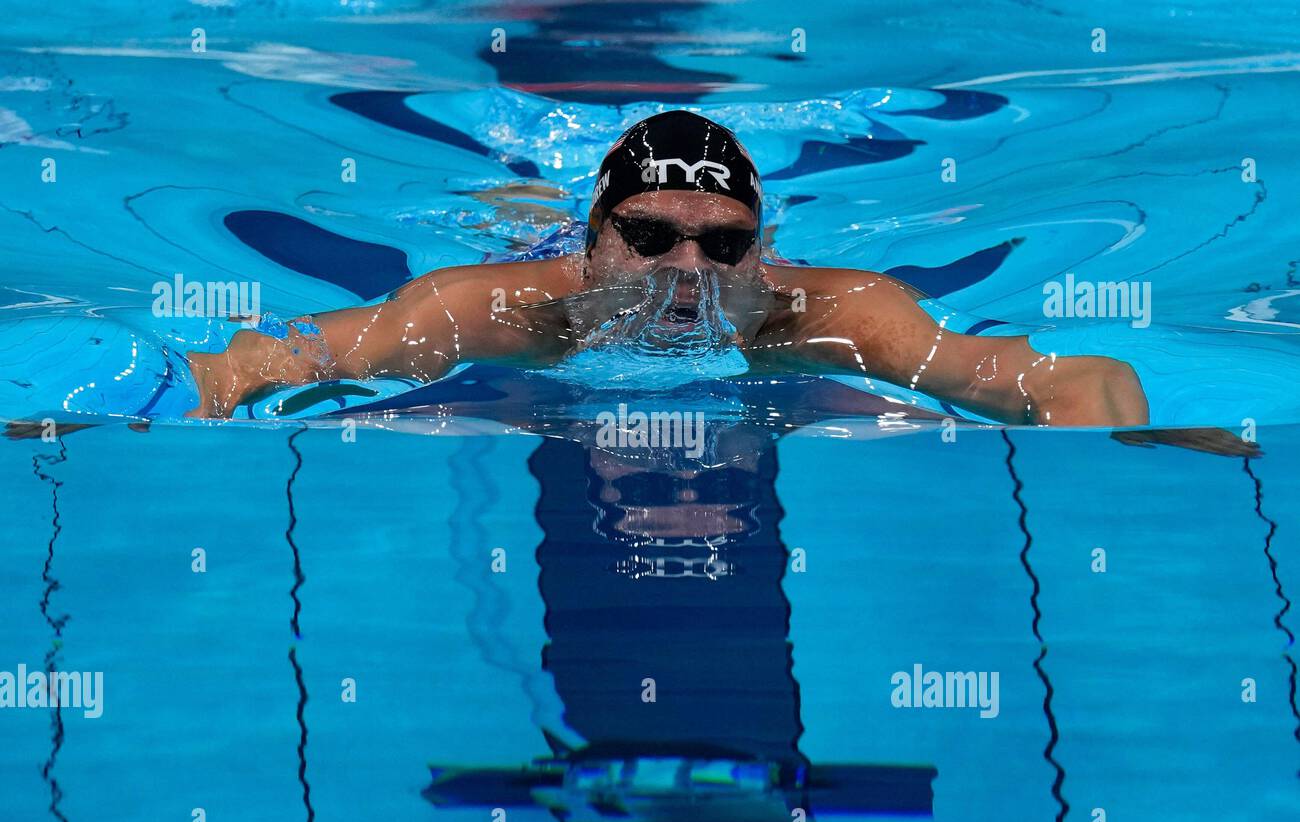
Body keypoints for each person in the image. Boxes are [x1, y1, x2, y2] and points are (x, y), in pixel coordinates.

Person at [185, 109, 1154, 428]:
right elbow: (275, 357)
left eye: (723, 243)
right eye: (649, 237)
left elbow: (1084, 382)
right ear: (593, 240)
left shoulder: (839, 317)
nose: (686, 270)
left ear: (761, 256)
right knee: (502, 205)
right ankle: (526, 194)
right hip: (526, 248)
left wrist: (1101, 474)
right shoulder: (484, 312)